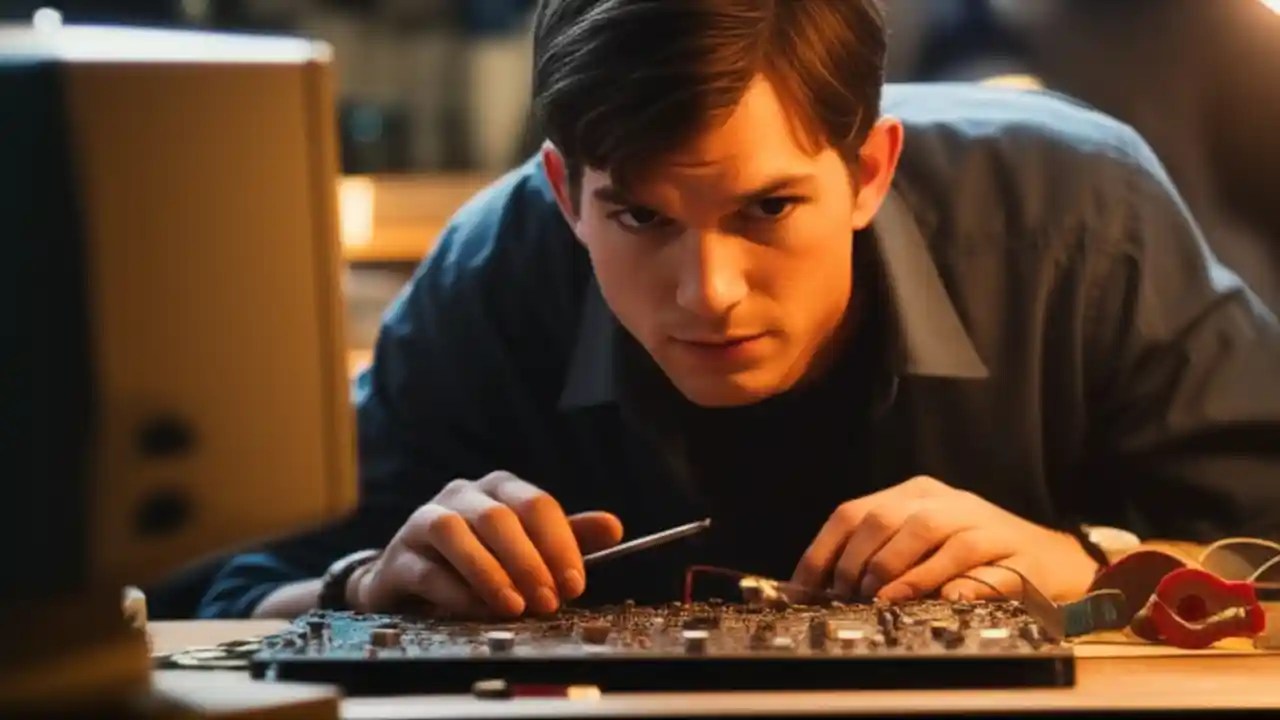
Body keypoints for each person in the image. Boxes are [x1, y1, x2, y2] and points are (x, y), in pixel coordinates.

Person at [198, 0, 1280, 620]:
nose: (706, 292)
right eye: (638, 218)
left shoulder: (1078, 219)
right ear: (565, 193)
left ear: (867, 171)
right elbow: (233, 594)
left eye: (767, 207)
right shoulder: (495, 265)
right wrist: (364, 586)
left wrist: (1087, 561)